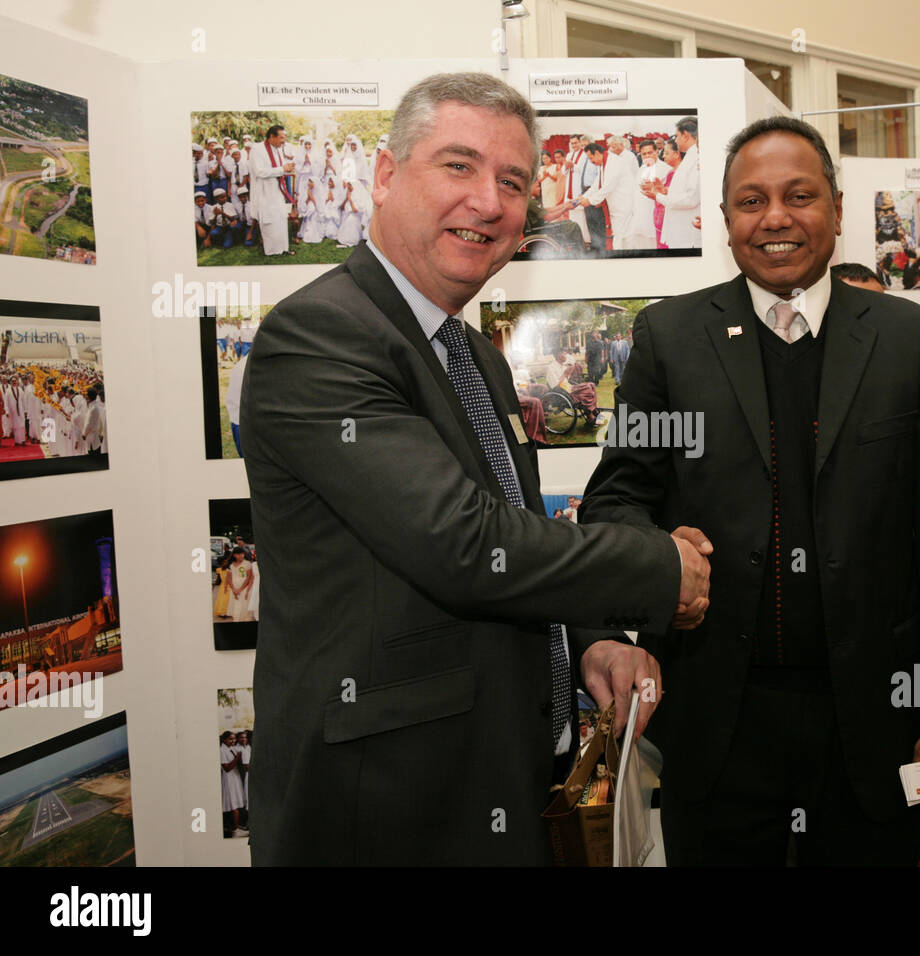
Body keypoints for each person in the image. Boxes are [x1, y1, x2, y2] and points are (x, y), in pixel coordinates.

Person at [239, 72, 709, 866]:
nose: (489, 202)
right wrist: (661, 566)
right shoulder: (318, 335)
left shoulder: (471, 355)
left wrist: (591, 639)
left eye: (514, 181)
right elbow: (461, 543)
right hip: (384, 807)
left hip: (493, 783)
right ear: (386, 177)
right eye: (458, 166)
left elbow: (511, 539)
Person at [580, 116, 920, 866]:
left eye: (798, 196)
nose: (775, 218)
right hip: (717, 722)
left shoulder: (909, 341)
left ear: (836, 207)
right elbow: (620, 500)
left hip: (876, 721)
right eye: (751, 201)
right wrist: (656, 554)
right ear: (725, 221)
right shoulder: (673, 341)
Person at [652, 118, 701, 249]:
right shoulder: (690, 157)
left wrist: (657, 196)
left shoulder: (696, 158)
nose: (676, 140)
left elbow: (691, 199)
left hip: (687, 233)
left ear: (685, 136)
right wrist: (665, 191)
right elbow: (683, 190)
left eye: (677, 136)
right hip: (680, 229)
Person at [249, 125, 296, 257]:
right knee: (269, 221)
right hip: (264, 192)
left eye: (285, 138)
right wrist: (282, 169)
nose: (284, 141)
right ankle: (272, 251)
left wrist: (287, 168)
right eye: (281, 138)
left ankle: (283, 248)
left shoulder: (278, 149)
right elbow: (259, 172)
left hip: (277, 190)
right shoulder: (257, 149)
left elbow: (280, 168)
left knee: (281, 218)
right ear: (272, 136)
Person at [220, 732, 246, 837]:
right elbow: (227, 768)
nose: (233, 741)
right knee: (233, 804)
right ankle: (235, 830)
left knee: (237, 803)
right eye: (230, 739)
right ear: (224, 740)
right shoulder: (222, 751)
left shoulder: (232, 748)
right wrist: (237, 758)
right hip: (229, 780)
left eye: (234, 739)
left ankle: (236, 826)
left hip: (235, 779)